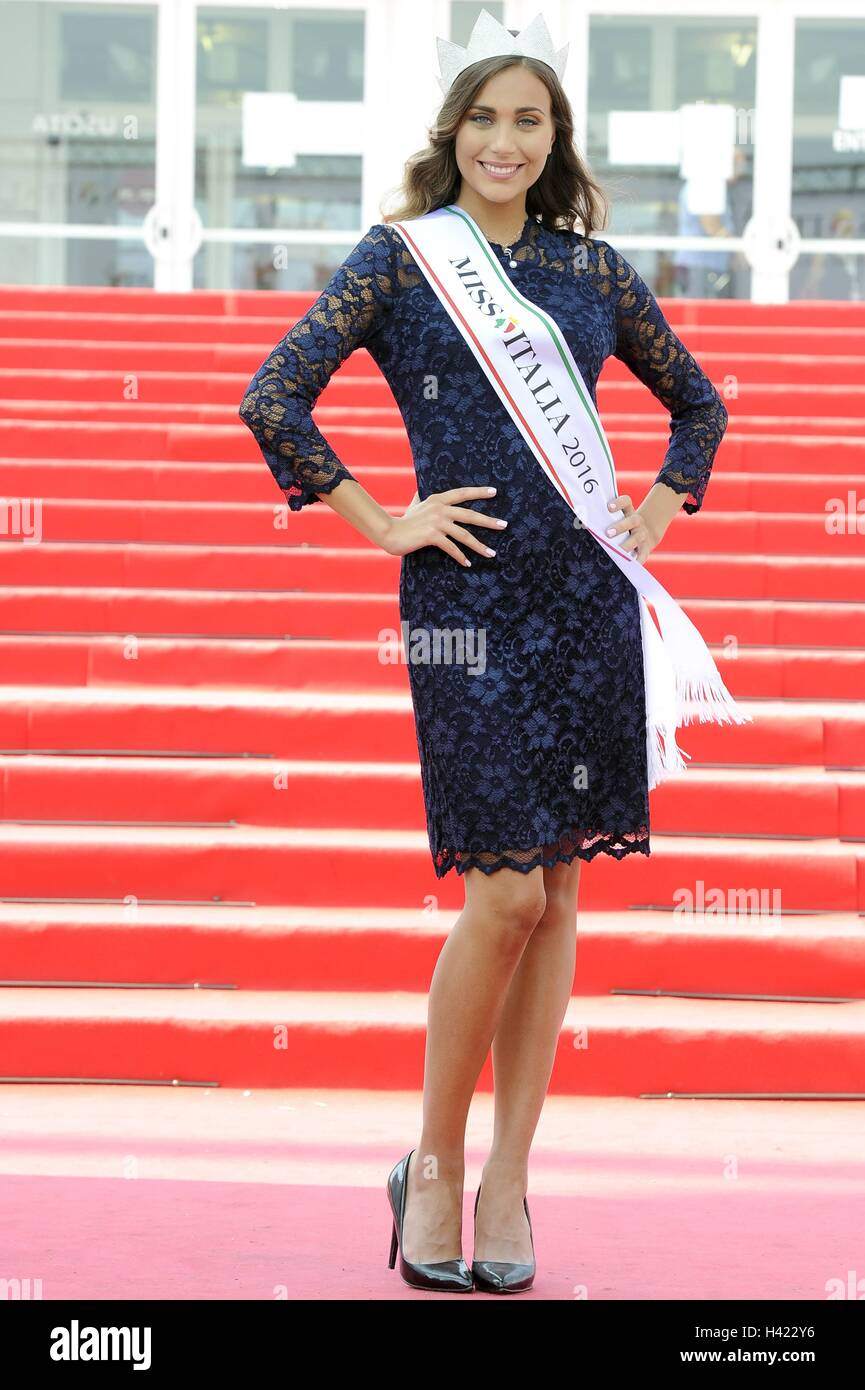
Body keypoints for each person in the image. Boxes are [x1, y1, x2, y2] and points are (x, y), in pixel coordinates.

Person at [238, 9, 730, 1295]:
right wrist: (381, 519)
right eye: (485, 117)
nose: (505, 140)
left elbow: (698, 400)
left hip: (583, 608)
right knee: (504, 892)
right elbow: (272, 393)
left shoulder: (594, 272)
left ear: (554, 138)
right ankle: (437, 1163)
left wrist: (659, 508)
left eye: (530, 120)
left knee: (560, 895)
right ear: (451, 130)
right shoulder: (400, 262)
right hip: (463, 615)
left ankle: (511, 1172)